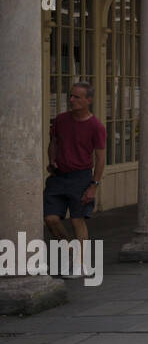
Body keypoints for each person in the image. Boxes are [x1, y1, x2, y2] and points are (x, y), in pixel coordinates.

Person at [45, 82, 106, 275]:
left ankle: (81, 264)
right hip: (58, 177)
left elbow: (100, 157)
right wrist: (52, 159)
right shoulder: (61, 120)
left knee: (77, 220)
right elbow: (53, 142)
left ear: (88, 100)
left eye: (76, 97)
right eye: (70, 96)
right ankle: (70, 249)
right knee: (50, 218)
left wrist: (93, 185)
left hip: (81, 177)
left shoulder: (96, 126)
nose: (71, 100)